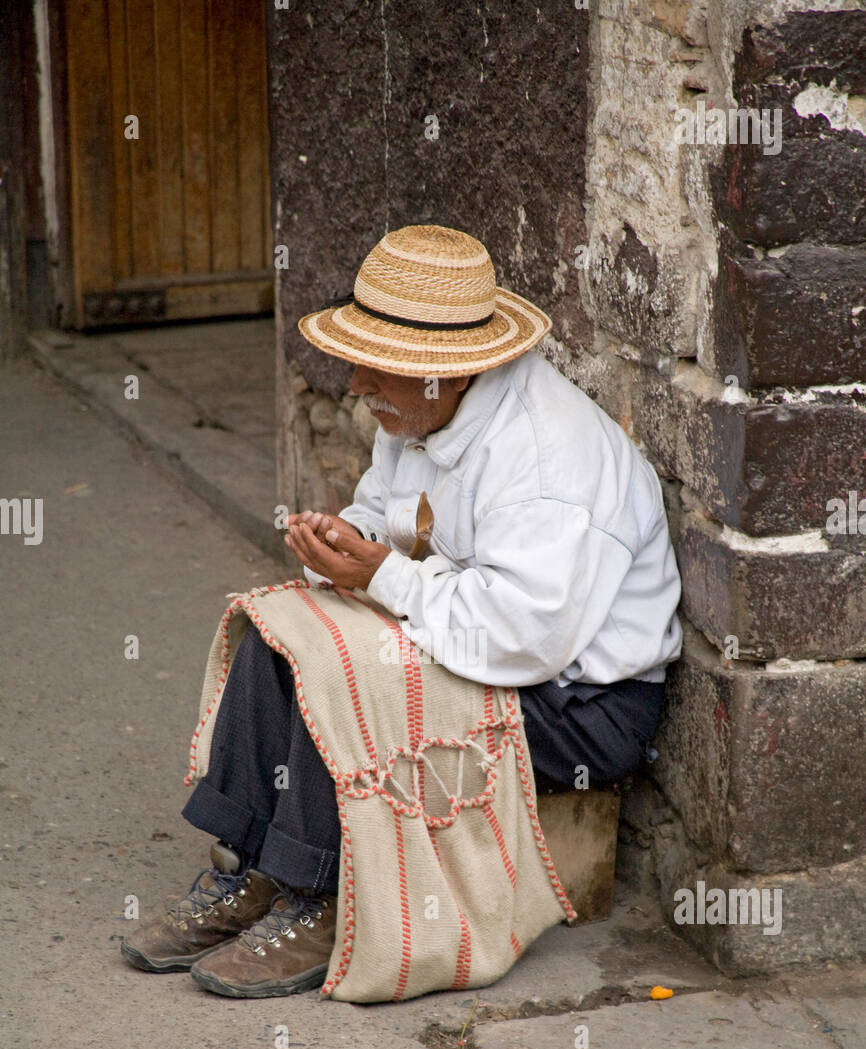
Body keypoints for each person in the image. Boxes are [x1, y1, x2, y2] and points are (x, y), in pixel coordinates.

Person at [121, 223, 682, 999]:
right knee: (277, 630)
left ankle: (320, 899)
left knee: (347, 671)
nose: (354, 384)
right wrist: (348, 538)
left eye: (374, 368)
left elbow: (524, 640)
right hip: (501, 646)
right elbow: (390, 513)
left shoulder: (545, 461)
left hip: (578, 705)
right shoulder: (421, 412)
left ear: (446, 372)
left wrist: (383, 577)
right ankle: (249, 868)